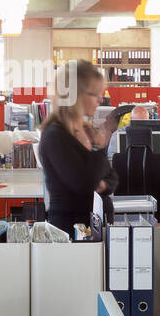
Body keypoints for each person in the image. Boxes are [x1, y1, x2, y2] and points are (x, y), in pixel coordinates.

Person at [37, 60, 118, 237]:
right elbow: (82, 184)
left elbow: (112, 178)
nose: (101, 99)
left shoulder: (87, 130)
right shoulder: (54, 135)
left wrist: (102, 183)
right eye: (95, 94)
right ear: (77, 95)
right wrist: (99, 147)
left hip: (96, 226)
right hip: (71, 232)